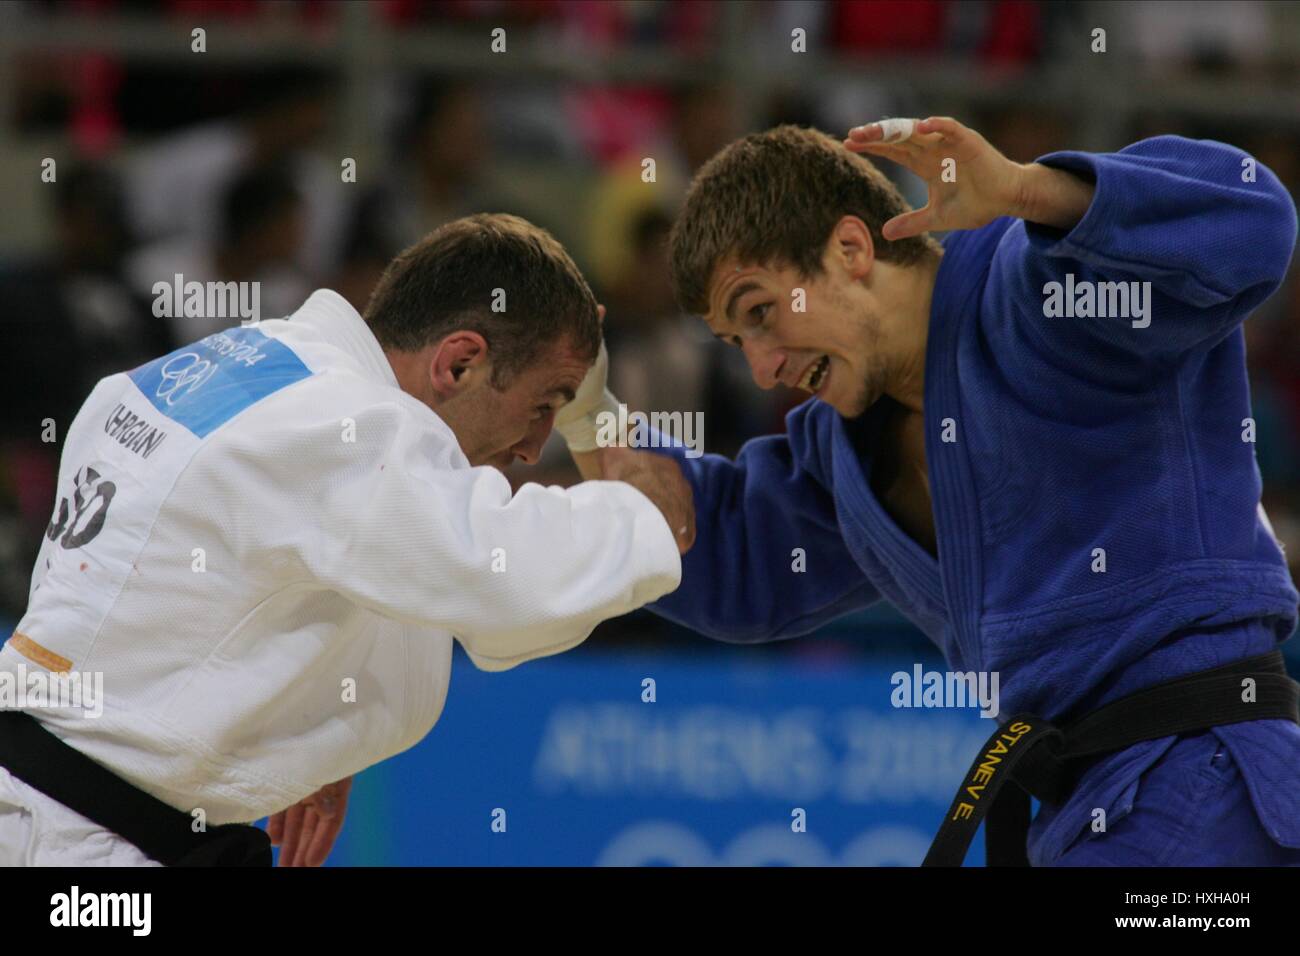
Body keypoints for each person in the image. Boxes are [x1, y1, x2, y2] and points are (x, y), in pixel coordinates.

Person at [557, 118, 1300, 866]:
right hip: (1088, 812)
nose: (762, 367)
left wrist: (1027, 190)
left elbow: (1251, 219)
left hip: (1209, 785)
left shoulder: (1038, 289)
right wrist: (587, 412)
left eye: (761, 314)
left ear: (850, 251)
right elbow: (723, 550)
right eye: (735, 342)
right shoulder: (843, 455)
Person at [0, 213, 692, 867]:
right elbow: (511, 582)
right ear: (459, 365)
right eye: (543, 404)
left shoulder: (255, 365)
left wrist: (311, 711)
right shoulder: (346, 425)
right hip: (75, 846)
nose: (534, 446)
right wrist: (645, 491)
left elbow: (251, 576)